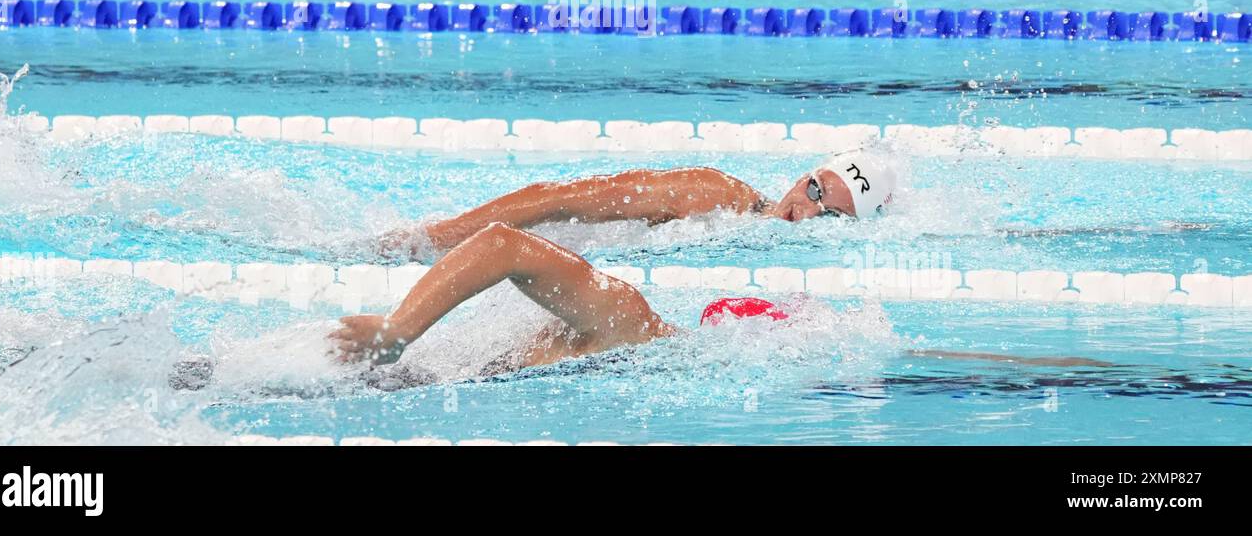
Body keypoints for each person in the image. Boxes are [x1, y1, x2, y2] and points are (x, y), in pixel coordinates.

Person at [333, 222, 1111, 374]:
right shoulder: (633, 324)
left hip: (376, 375)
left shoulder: (637, 333)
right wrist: (395, 336)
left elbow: (502, 245)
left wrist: (399, 336)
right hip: (382, 371)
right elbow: (503, 241)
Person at [378, 149, 898, 257]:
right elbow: (558, 200)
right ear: (803, 173)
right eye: (814, 190)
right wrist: (440, 237)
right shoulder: (714, 195)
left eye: (828, 214)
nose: (804, 211)